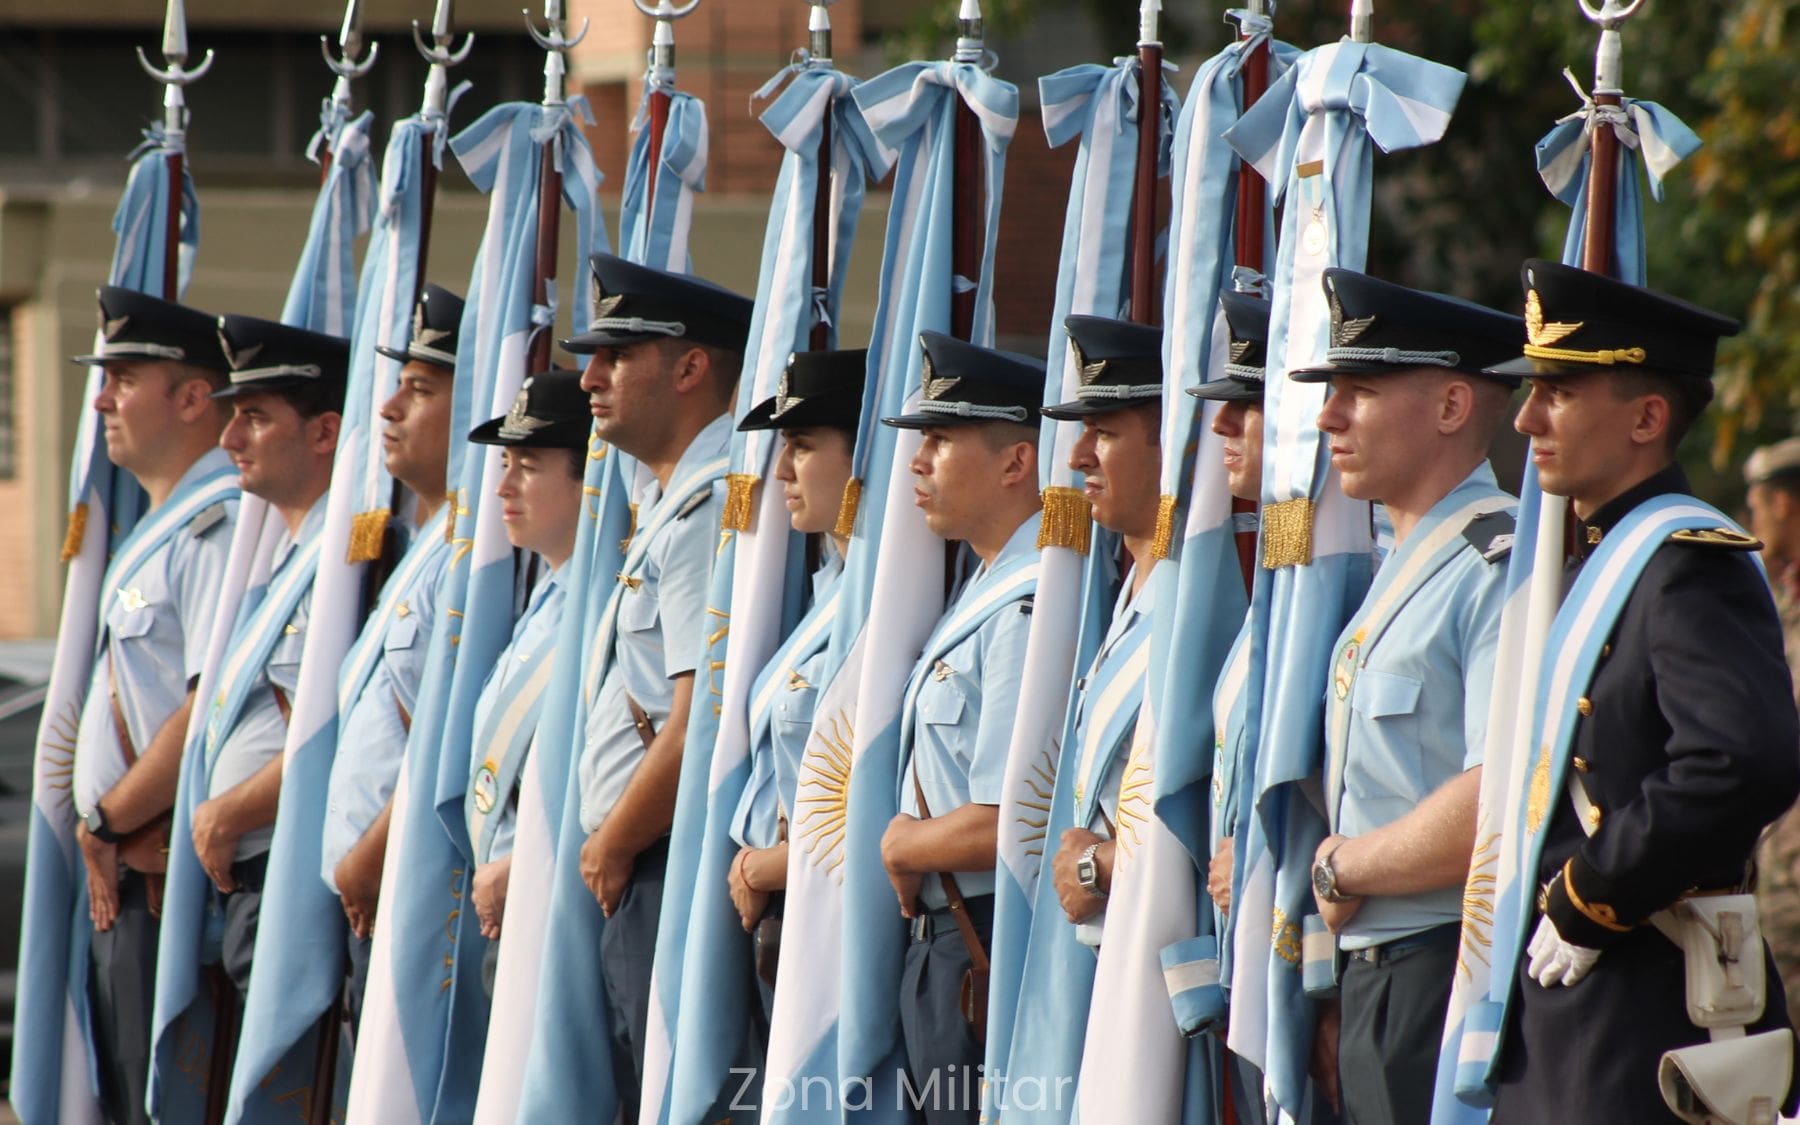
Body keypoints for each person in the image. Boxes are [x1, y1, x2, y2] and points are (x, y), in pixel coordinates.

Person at [1487, 260, 1800, 1123]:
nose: (1525, 418)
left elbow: (1745, 758)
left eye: (1556, 392)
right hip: (1563, 1017)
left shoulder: (1685, 565)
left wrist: (1595, 892)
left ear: (1647, 417)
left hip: (1639, 1016)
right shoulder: (1586, 565)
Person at [1291, 269, 1523, 1125]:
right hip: (1374, 975)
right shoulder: (1398, 564)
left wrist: (1339, 863)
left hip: (1443, 971)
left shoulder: (1498, 565)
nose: (1327, 417)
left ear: (1454, 406)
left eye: (1360, 390)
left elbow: (1497, 795)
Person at [565, 252, 753, 1118]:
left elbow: (694, 721)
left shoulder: (708, 507)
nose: (590, 377)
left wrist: (608, 846)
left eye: (616, 355)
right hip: (639, 866)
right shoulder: (666, 502)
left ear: (689, 366)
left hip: (660, 863)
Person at [70, 286, 239, 1125]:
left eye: (123, 376)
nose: (100, 398)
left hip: (158, 874)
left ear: (192, 395)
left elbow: (205, 708)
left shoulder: (219, 526)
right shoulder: (165, 526)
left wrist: (106, 819)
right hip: (124, 878)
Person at [878, 331, 1045, 1125]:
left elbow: (1009, 819)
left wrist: (902, 844)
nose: (916, 462)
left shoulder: (1024, 604)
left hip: (979, 934)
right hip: (943, 936)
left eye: (939, 440)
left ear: (1016, 461)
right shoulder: (984, 584)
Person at [189, 314, 349, 1000]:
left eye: (254, 416)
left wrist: (227, 813)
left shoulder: (348, 568)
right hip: (253, 868)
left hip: (292, 869)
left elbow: (329, 732)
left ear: (323, 431)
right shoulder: (281, 558)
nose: (229, 440)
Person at [319, 283, 462, 1021]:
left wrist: (370, 852)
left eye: (420, 388)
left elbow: (447, 737)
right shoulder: (416, 549)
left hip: (413, 885)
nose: (388, 407)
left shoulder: (477, 560)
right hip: (373, 888)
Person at [724, 348, 866, 1017]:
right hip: (779, 902)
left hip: (827, 909)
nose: (780, 469)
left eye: (803, 445)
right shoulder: (828, 586)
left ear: (860, 454)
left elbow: (866, 791)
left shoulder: (887, 603)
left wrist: (767, 865)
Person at [463, 368, 591, 993]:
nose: (502, 487)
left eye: (529, 465)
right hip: (509, 900)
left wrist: (525, 864)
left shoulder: (599, 608)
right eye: (504, 463)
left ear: (588, 476)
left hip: (552, 901)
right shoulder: (545, 592)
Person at [1035, 315, 1164, 931]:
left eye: (1104, 432)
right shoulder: (1124, 593)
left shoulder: (1208, 601)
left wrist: (1096, 866)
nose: (1078, 455)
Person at [1193, 288, 1278, 1125]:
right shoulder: (1277, 594)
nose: (1219, 429)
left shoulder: (1342, 579)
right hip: (1238, 962)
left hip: (1322, 963)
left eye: (1245, 408)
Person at [1743, 437, 1800, 1030]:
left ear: (1782, 505)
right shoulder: (1779, 600)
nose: (1750, 524)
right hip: (1779, 878)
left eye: (1756, 507)